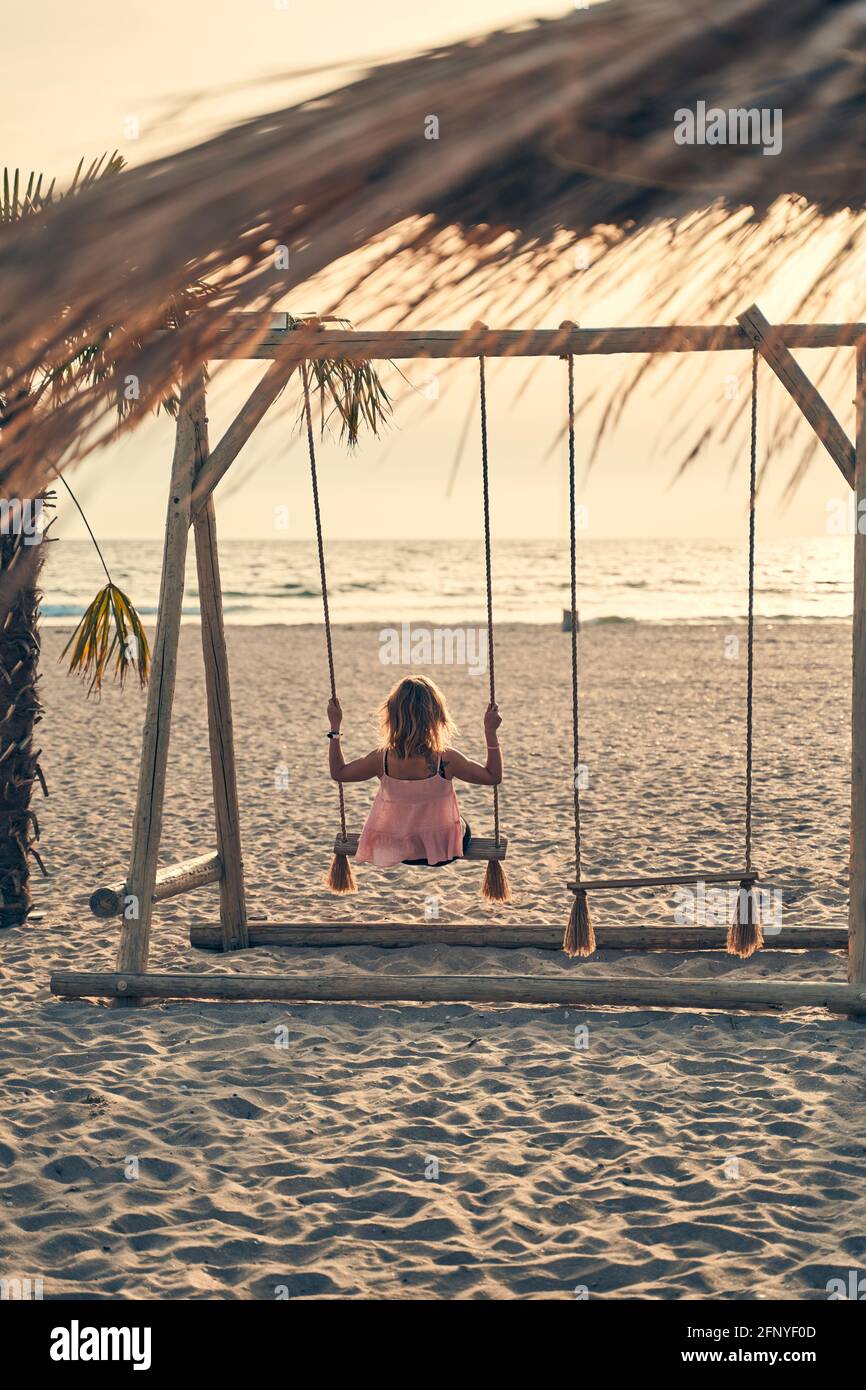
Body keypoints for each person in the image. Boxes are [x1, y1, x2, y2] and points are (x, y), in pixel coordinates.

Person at [327, 674, 502, 867]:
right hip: (443, 850)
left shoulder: (381, 758)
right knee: (460, 822)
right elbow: (492, 776)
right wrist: (490, 732)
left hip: (398, 847)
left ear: (391, 715)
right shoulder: (446, 758)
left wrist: (335, 727)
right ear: (436, 715)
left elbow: (339, 772)